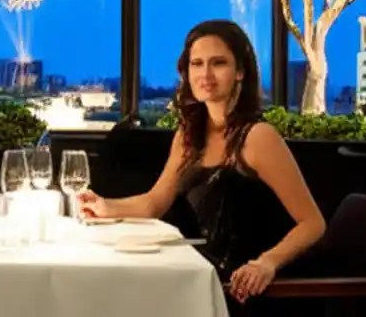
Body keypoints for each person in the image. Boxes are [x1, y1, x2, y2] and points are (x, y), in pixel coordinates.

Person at [76, 19, 326, 315]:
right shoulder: (189, 134)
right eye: (197, 64)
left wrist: (266, 263)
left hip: (253, 289)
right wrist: (104, 207)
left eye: (218, 63)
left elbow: (313, 224)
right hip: (207, 275)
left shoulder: (258, 137)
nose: (205, 74)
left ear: (240, 72)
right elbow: (155, 202)